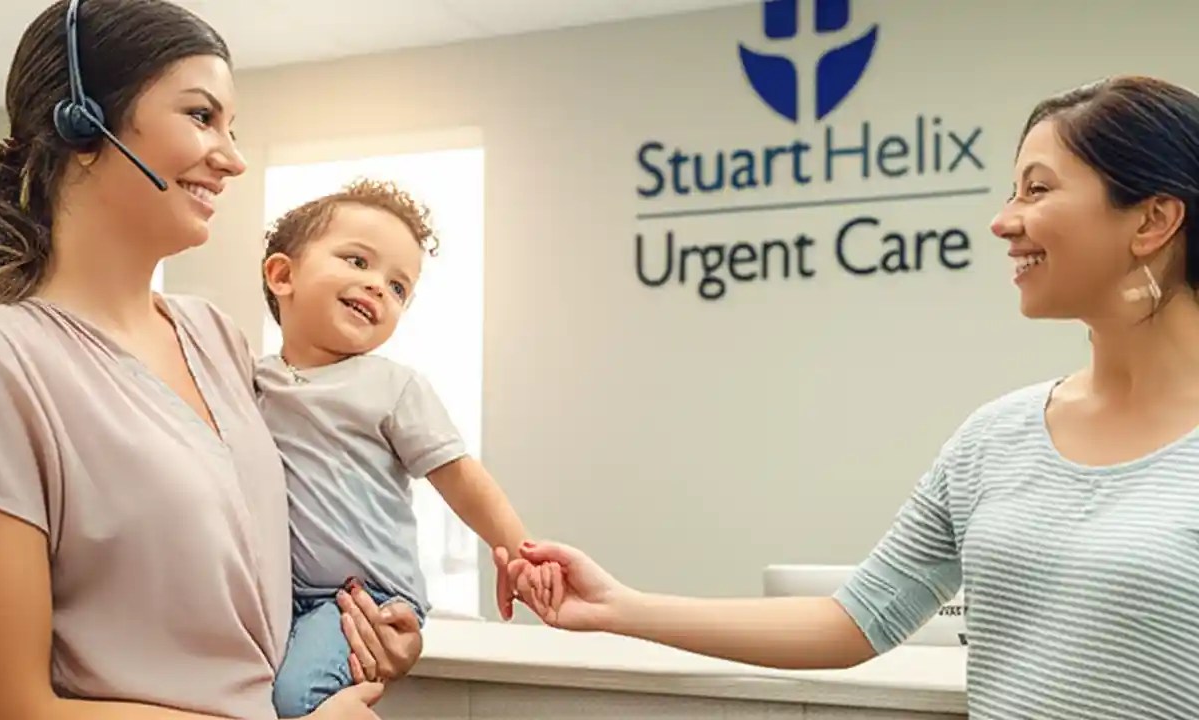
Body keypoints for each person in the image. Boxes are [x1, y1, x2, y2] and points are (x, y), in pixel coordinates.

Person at [501, 74, 1199, 720]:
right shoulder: (995, 438)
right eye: (1012, 191)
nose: (1003, 221)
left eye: (1037, 190)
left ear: (1152, 219)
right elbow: (856, 618)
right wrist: (621, 607)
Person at [0, 1, 419, 719]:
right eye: (201, 116)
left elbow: (249, 596)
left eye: (232, 128)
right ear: (82, 124)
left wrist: (365, 629)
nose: (233, 157)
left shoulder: (216, 338)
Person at [256, 178, 560, 717]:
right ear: (283, 275)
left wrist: (519, 555)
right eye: (357, 261)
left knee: (296, 697)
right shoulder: (250, 380)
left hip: (364, 595)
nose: (377, 286)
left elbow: (463, 480)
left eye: (398, 287)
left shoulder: (392, 387)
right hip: (282, 597)